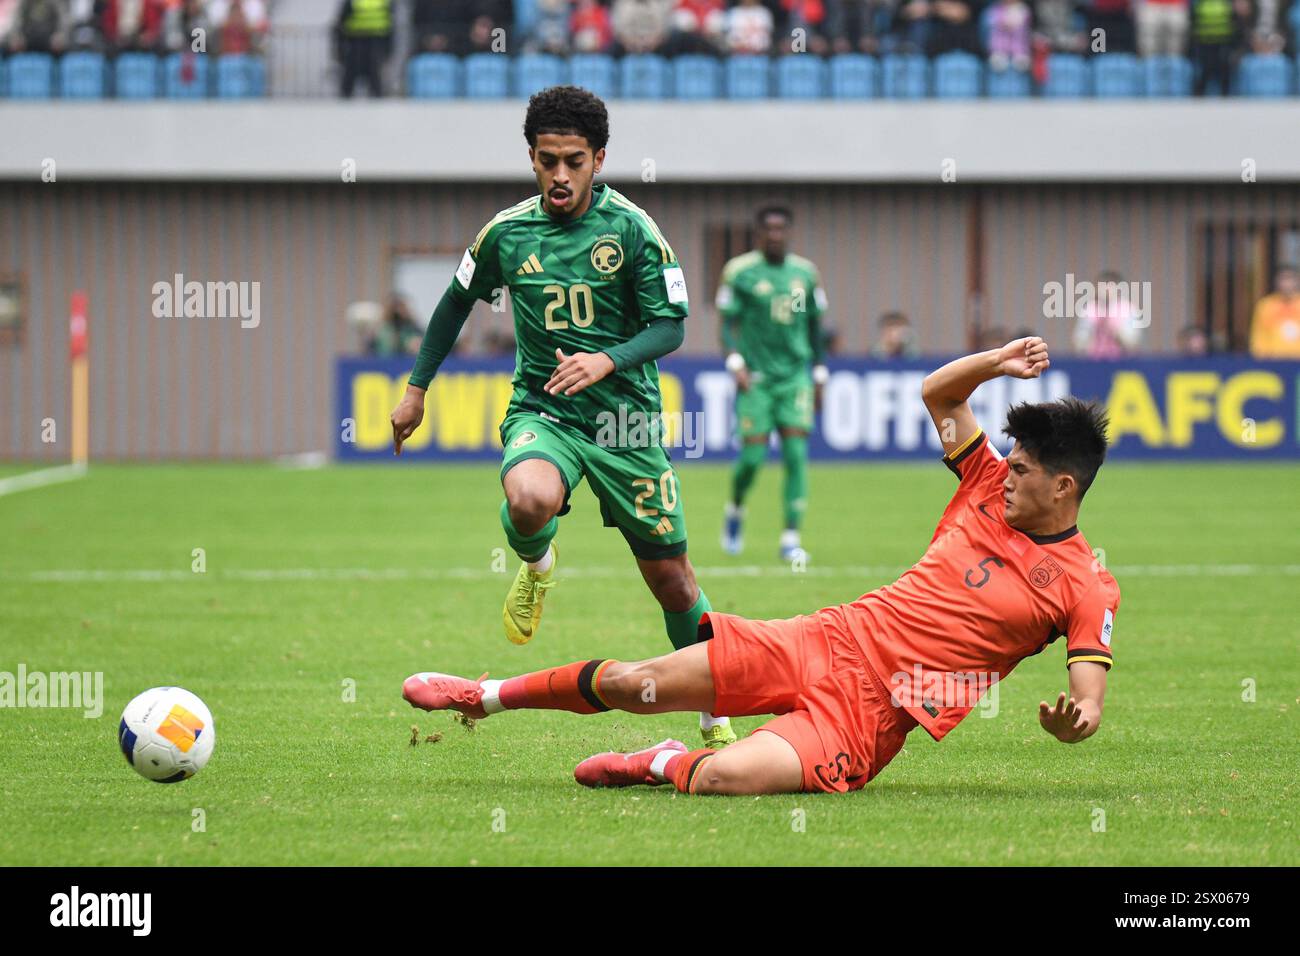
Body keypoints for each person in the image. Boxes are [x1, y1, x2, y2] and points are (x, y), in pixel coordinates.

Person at [404, 337, 1121, 796]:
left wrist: (1077, 721)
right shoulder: (983, 484)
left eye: (1021, 470)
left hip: (871, 718)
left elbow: (1088, 690)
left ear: (1064, 487)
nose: (1006, 476)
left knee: (725, 777)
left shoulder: (1086, 585)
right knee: (633, 681)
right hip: (825, 638)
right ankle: (482, 694)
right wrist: (995, 362)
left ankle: (657, 761)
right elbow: (939, 395)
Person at [389, 86, 738, 751]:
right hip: (544, 410)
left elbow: (671, 326)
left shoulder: (633, 230)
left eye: (573, 161)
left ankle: (713, 713)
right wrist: (416, 388)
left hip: (625, 424)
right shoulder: (506, 232)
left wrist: (606, 360)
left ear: (598, 159)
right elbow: (454, 303)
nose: (559, 175)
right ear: (531, 157)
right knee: (529, 498)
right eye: (547, 160)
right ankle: (538, 561)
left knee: (672, 581)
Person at [717, 206, 829, 562]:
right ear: (759, 234)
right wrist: (734, 361)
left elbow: (815, 327)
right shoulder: (740, 272)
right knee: (752, 458)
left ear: (788, 233)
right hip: (757, 378)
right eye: (770, 230)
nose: (776, 236)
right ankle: (735, 509)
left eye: (782, 229)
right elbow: (725, 322)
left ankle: (790, 538)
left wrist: (820, 372)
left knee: (796, 456)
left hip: (795, 375)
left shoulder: (806, 274)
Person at [334, 0, 392, 98]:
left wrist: (339, 46)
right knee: (374, 73)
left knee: (352, 72)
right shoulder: (383, 2)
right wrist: (389, 48)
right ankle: (377, 96)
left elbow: (341, 22)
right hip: (371, 41)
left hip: (358, 40)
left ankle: (346, 96)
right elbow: (390, 24)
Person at [1249, 264, 1300, 359]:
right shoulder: (1266, 305)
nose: (1286, 284)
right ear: (1276, 282)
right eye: (1283, 279)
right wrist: (1261, 355)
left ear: (1297, 281)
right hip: (1274, 360)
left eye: (1290, 279)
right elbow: (1258, 335)